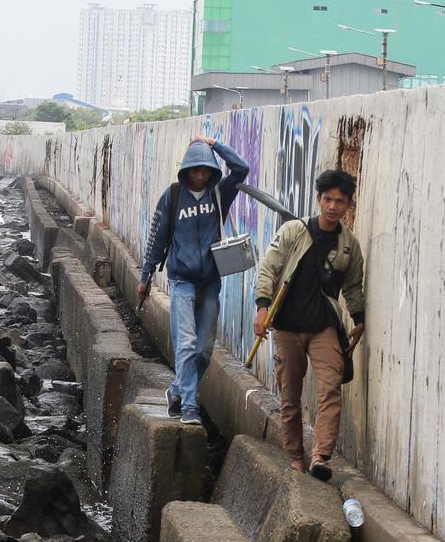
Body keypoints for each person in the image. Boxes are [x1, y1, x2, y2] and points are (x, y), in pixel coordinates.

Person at [253, 169, 365, 481]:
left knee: (331, 388)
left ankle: (321, 457)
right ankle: (295, 457)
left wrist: (359, 319)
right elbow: (268, 269)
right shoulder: (293, 232)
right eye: (327, 199)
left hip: (323, 326)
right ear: (319, 200)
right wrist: (262, 307)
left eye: (339, 201)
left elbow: (354, 287)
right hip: (287, 326)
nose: (332, 206)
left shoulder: (348, 246)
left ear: (347, 206)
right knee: (290, 396)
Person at [138, 135, 250, 425]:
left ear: (211, 170)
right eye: (194, 170)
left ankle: (176, 390)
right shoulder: (173, 195)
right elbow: (157, 237)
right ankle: (189, 405)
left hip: (211, 281)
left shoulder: (219, 194)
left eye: (204, 170)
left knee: (203, 350)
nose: (199, 176)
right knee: (186, 344)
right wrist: (145, 275)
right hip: (181, 280)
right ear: (186, 170)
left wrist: (214, 144)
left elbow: (241, 168)